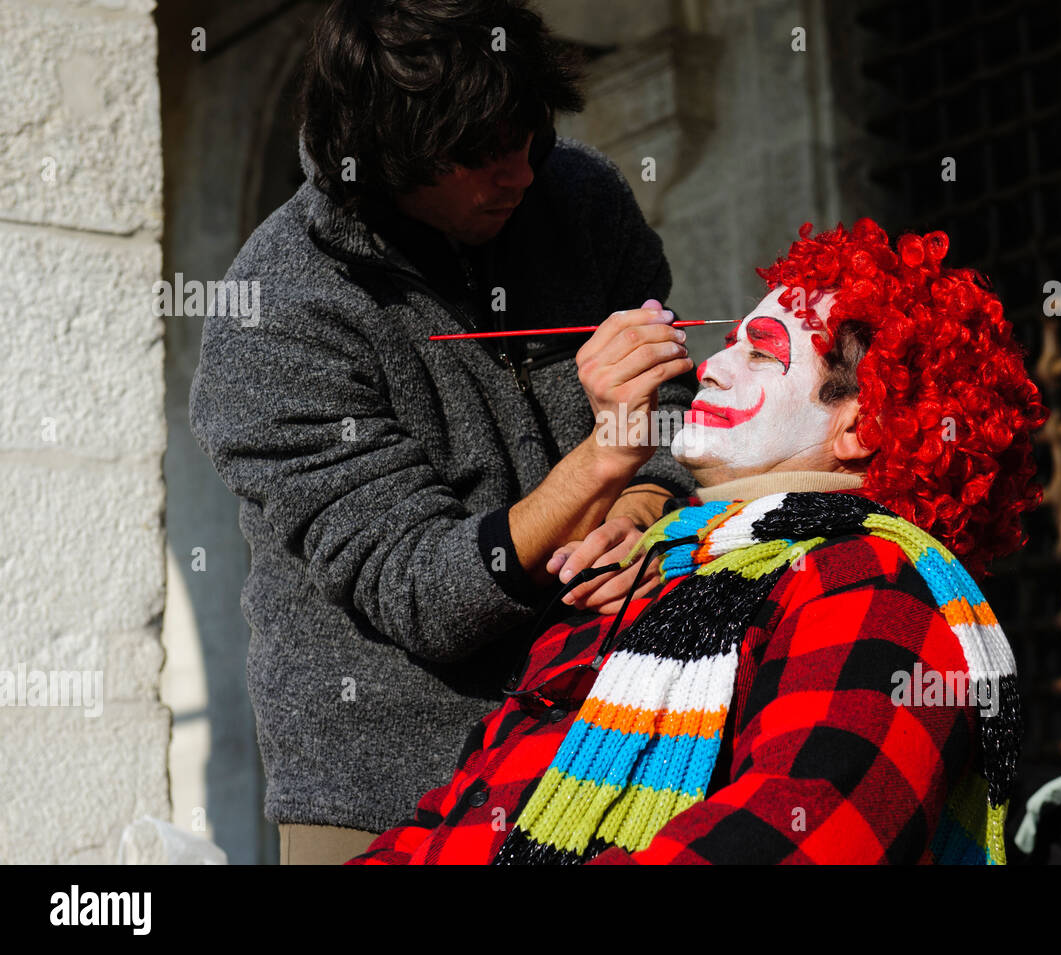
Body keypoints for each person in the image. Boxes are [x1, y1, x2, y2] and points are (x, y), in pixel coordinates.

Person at [347, 218, 1051, 865]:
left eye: (762, 353)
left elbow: (803, 832)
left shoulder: (870, 578)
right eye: (732, 340)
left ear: (859, 430)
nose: (711, 366)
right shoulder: (647, 570)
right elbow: (449, 818)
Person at [188, 0, 696, 864]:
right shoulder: (274, 318)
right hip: (392, 792)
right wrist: (608, 456)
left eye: (529, 134)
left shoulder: (579, 196)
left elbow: (686, 416)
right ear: (388, 167)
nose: (521, 175)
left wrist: (645, 498)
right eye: (480, 156)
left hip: (615, 740)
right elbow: (424, 589)